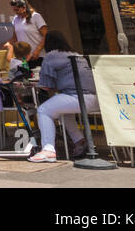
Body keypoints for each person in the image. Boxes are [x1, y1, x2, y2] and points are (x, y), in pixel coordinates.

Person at [29, 31, 99, 163]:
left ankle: (48, 150)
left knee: (43, 110)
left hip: (77, 97)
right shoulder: (77, 54)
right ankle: (80, 141)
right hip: (95, 98)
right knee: (64, 111)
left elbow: (46, 86)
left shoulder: (50, 56)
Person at [9, 0, 47, 66]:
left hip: (37, 56)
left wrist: (38, 50)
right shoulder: (15, 19)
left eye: (17, 10)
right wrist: (8, 44)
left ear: (24, 7)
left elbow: (46, 35)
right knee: (26, 76)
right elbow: (15, 37)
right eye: (14, 10)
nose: (16, 13)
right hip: (24, 58)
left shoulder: (36, 16)